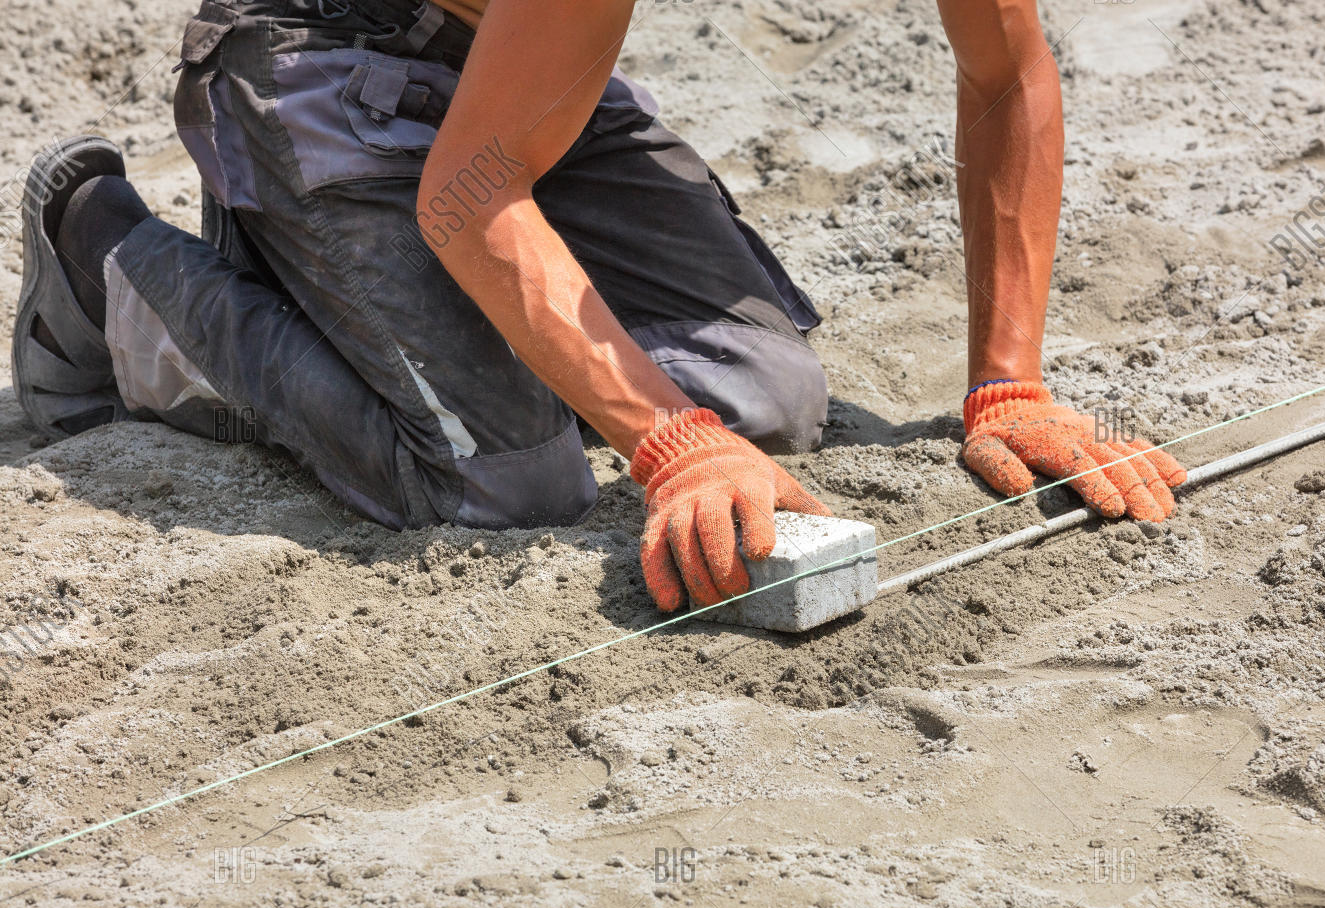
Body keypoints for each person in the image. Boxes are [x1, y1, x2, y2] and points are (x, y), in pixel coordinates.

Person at [12, 0, 1185, 613]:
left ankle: (361, 299)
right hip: (310, 51)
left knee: (771, 398)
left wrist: (1008, 384)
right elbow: (470, 198)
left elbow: (1009, 70)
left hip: (520, 61)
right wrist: (668, 444)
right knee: (501, 476)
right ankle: (109, 261)